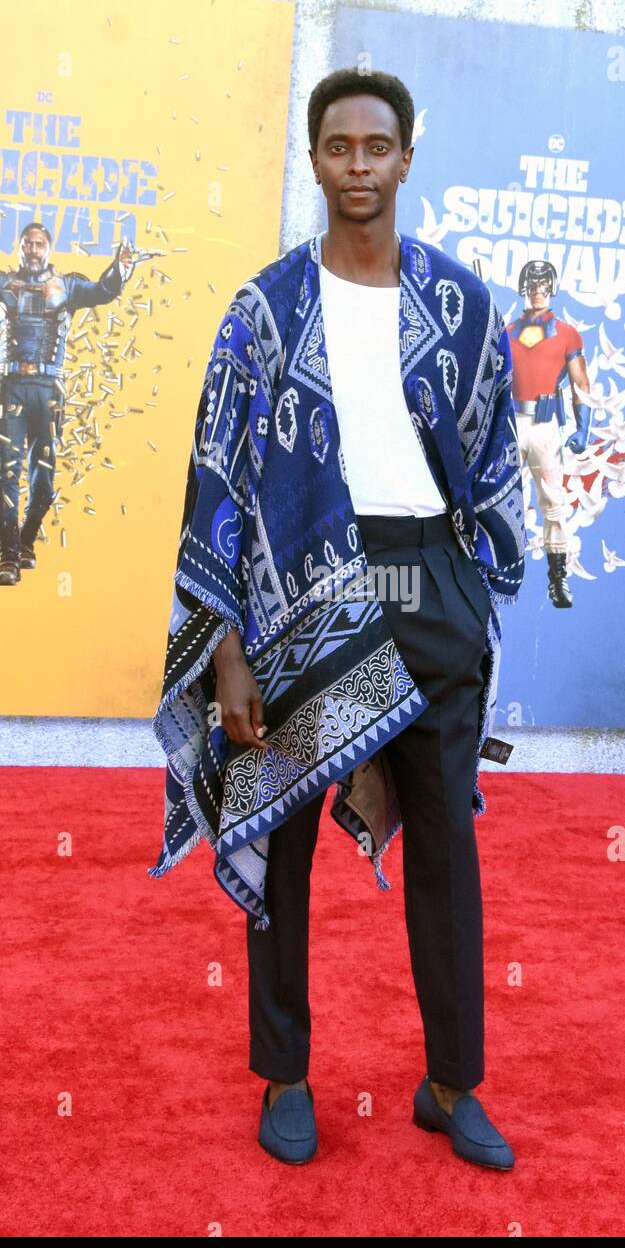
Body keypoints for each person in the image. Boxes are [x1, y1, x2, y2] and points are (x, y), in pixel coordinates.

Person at [150, 68, 527, 1170]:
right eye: (337, 147)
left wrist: (473, 592)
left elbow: (495, 459)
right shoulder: (263, 312)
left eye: (376, 146)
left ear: (406, 159)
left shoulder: (460, 307)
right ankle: (286, 1076)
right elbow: (215, 486)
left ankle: (451, 1083)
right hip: (301, 583)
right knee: (284, 833)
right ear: (313, 161)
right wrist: (225, 654)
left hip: (428, 587)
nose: (356, 164)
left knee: (447, 851)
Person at [0, 222, 135, 585]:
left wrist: (121, 267)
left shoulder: (69, 286)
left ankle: (26, 541)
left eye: (39, 244)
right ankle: (9, 557)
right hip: (10, 388)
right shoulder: (2, 283)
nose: (33, 250)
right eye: (28, 244)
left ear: (49, 249)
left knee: (43, 482)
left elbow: (104, 290)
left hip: (48, 391)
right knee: (7, 475)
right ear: (20, 248)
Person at [506, 259, 592, 608]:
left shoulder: (566, 333)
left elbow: (580, 383)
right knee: (498, 499)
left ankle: (558, 579)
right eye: (532, 284)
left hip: (545, 427)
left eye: (543, 285)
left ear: (551, 288)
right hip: (511, 424)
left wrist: (583, 425)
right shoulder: (507, 331)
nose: (537, 290)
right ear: (524, 287)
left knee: (554, 504)